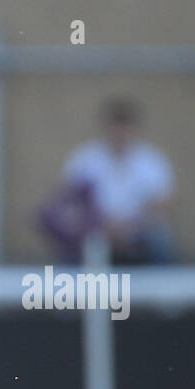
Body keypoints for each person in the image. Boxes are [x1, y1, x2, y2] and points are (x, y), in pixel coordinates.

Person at [43, 97, 175, 265]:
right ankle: (76, 289)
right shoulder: (84, 158)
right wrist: (101, 225)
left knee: (160, 239)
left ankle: (158, 289)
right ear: (106, 128)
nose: (120, 133)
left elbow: (162, 204)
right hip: (95, 229)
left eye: (125, 127)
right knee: (76, 242)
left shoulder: (151, 160)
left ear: (134, 129)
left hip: (138, 230)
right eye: (116, 126)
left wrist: (129, 226)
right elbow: (70, 200)